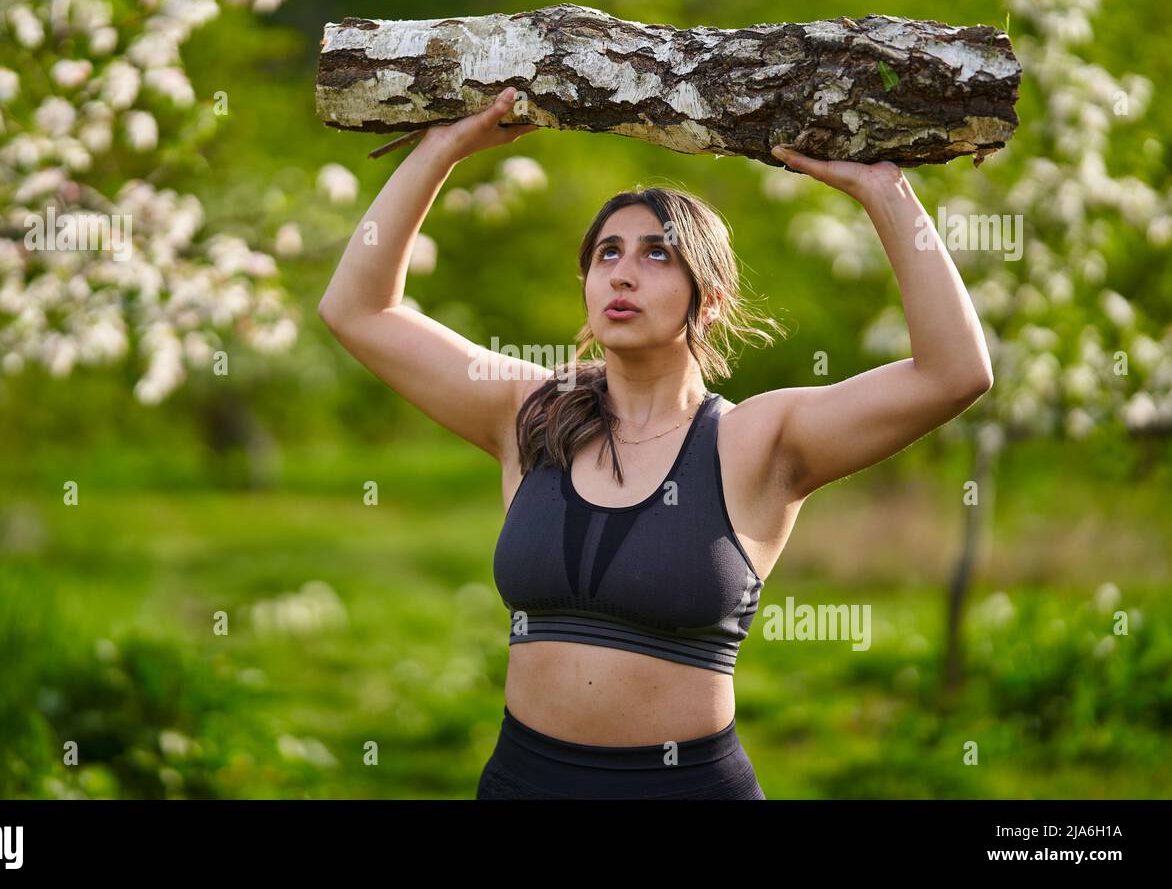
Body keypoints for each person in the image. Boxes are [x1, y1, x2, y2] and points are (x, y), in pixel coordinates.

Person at [317, 87, 994, 799]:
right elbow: (358, 311)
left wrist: (885, 192)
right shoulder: (531, 411)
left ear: (711, 299)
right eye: (607, 253)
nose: (623, 272)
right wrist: (442, 148)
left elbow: (954, 373)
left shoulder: (755, 440)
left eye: (657, 254)